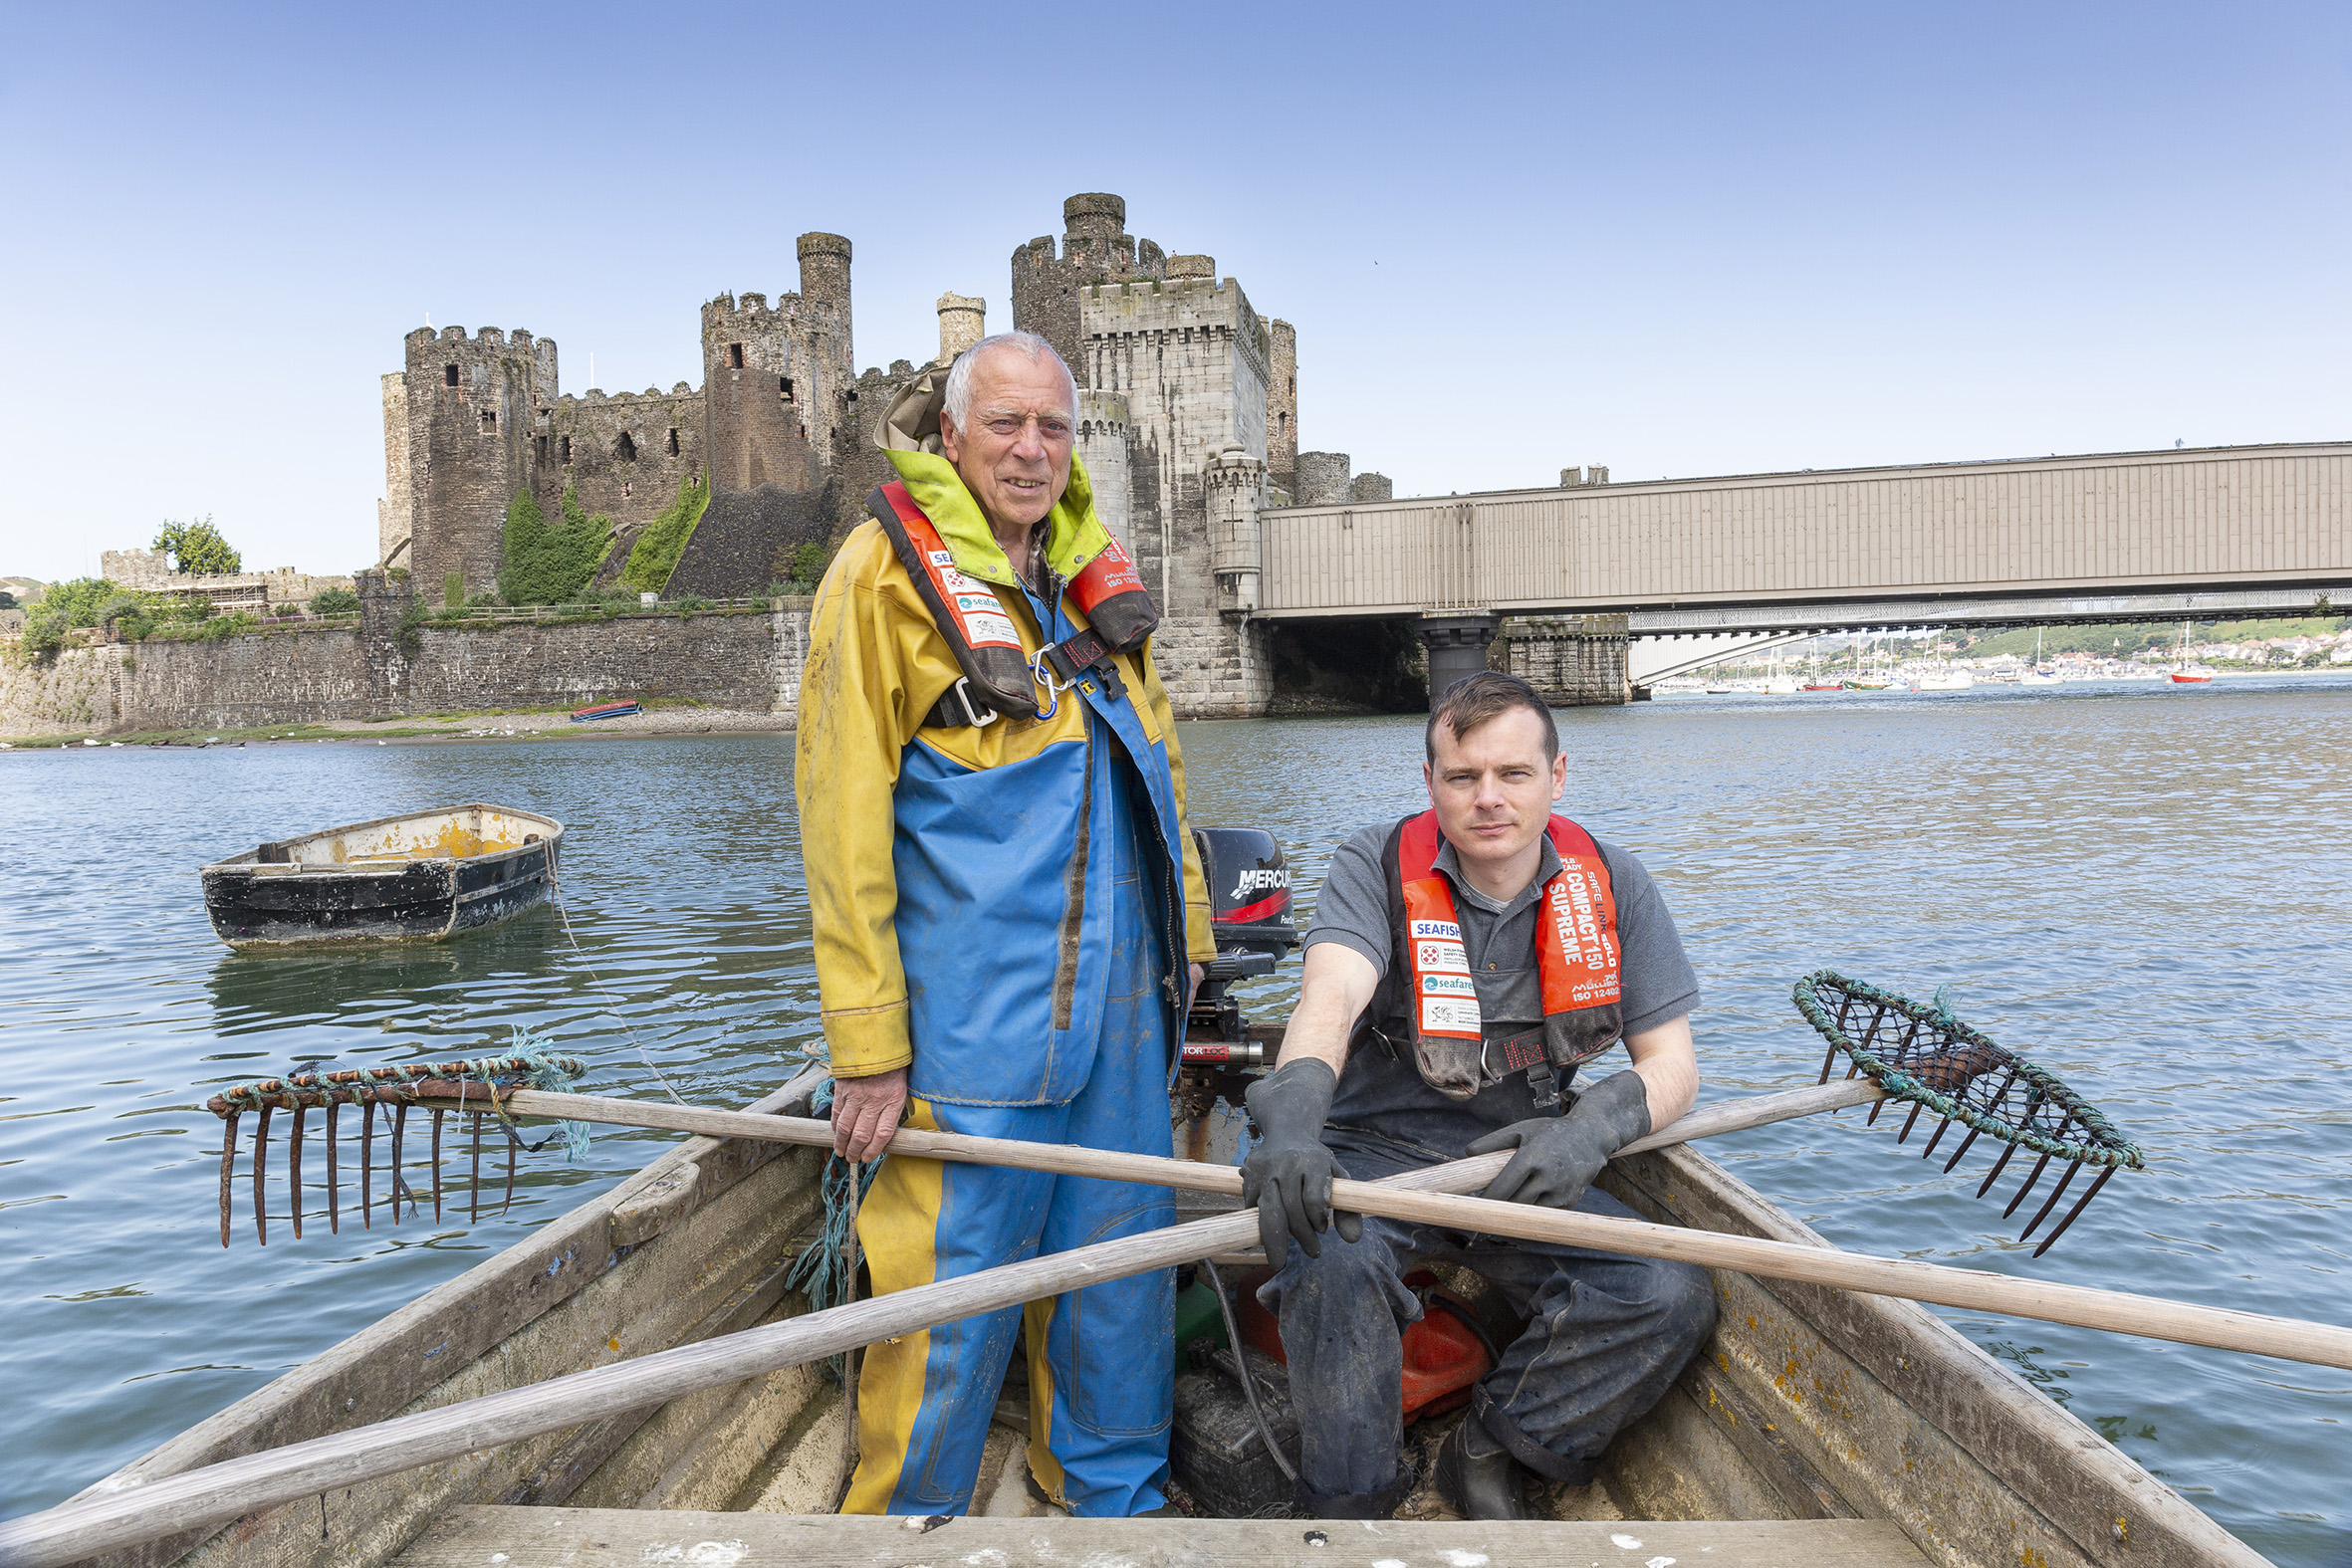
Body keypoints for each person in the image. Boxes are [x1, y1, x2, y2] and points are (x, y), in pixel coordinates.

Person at [797, 332, 1215, 1517]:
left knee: (1117, 1283)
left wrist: (1190, 956)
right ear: (951, 435)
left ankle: (1109, 1507)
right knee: (949, 1295)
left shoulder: (1092, 574)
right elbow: (839, 822)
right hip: (973, 1020)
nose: (1031, 452)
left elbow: (1164, 771)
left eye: (1051, 429)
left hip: (1123, 1016)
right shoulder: (877, 578)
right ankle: (904, 1527)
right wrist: (867, 1043)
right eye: (1005, 427)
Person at [1240, 670, 1716, 1519]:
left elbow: (1672, 1064)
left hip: (1518, 1164)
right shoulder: (1376, 861)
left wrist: (1591, 1130)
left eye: (1513, 774)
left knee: (1669, 1292)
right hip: (1363, 1162)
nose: (1488, 798)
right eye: (1463, 777)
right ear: (1431, 784)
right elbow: (1331, 994)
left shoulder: (1614, 882)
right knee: (1333, 1264)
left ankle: (1492, 1444)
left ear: (1556, 777)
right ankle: (1352, 1505)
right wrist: (1296, 1108)